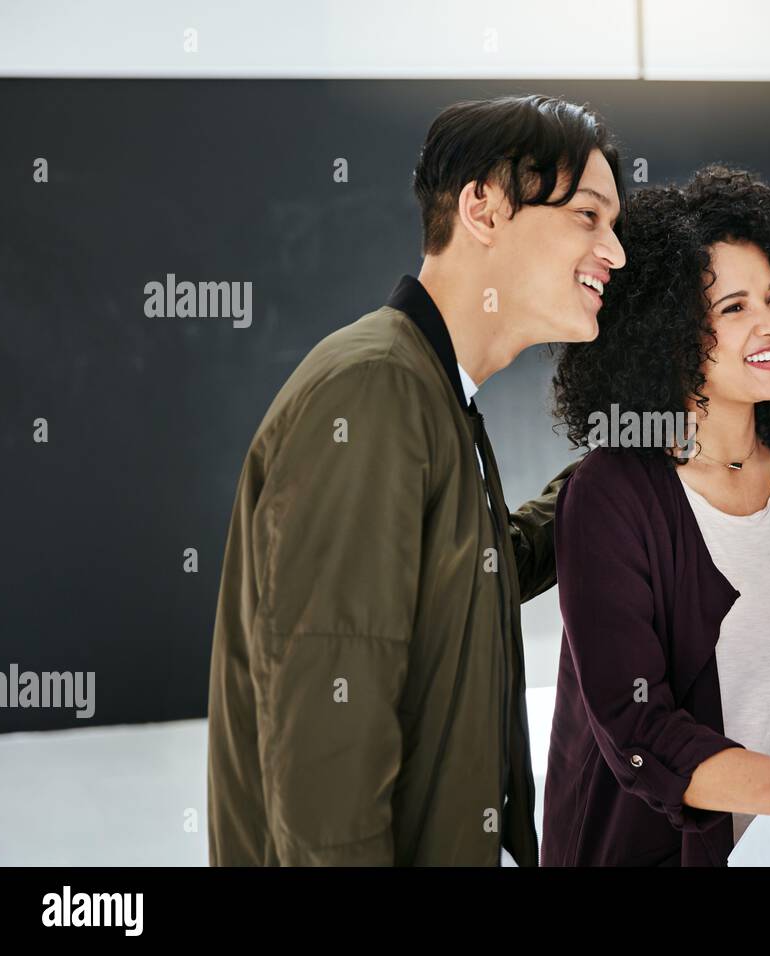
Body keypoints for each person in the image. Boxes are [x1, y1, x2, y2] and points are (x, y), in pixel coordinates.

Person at [206, 94, 626, 865]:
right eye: (588, 216)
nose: (616, 251)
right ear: (484, 209)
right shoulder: (375, 389)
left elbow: (476, 571)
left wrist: (612, 479)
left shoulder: (433, 395)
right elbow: (326, 769)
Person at [541, 166, 770, 865]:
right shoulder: (610, 494)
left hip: (760, 849)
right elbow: (638, 728)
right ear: (668, 336)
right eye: (733, 308)